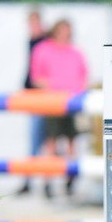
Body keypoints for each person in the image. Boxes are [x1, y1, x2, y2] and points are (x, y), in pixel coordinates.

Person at [27, 19, 88, 198]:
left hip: (71, 102)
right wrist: (54, 88)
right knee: (51, 142)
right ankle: (48, 182)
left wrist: (75, 93)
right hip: (52, 102)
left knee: (71, 143)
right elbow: (36, 77)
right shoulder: (43, 49)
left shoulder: (75, 52)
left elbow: (83, 76)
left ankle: (70, 179)